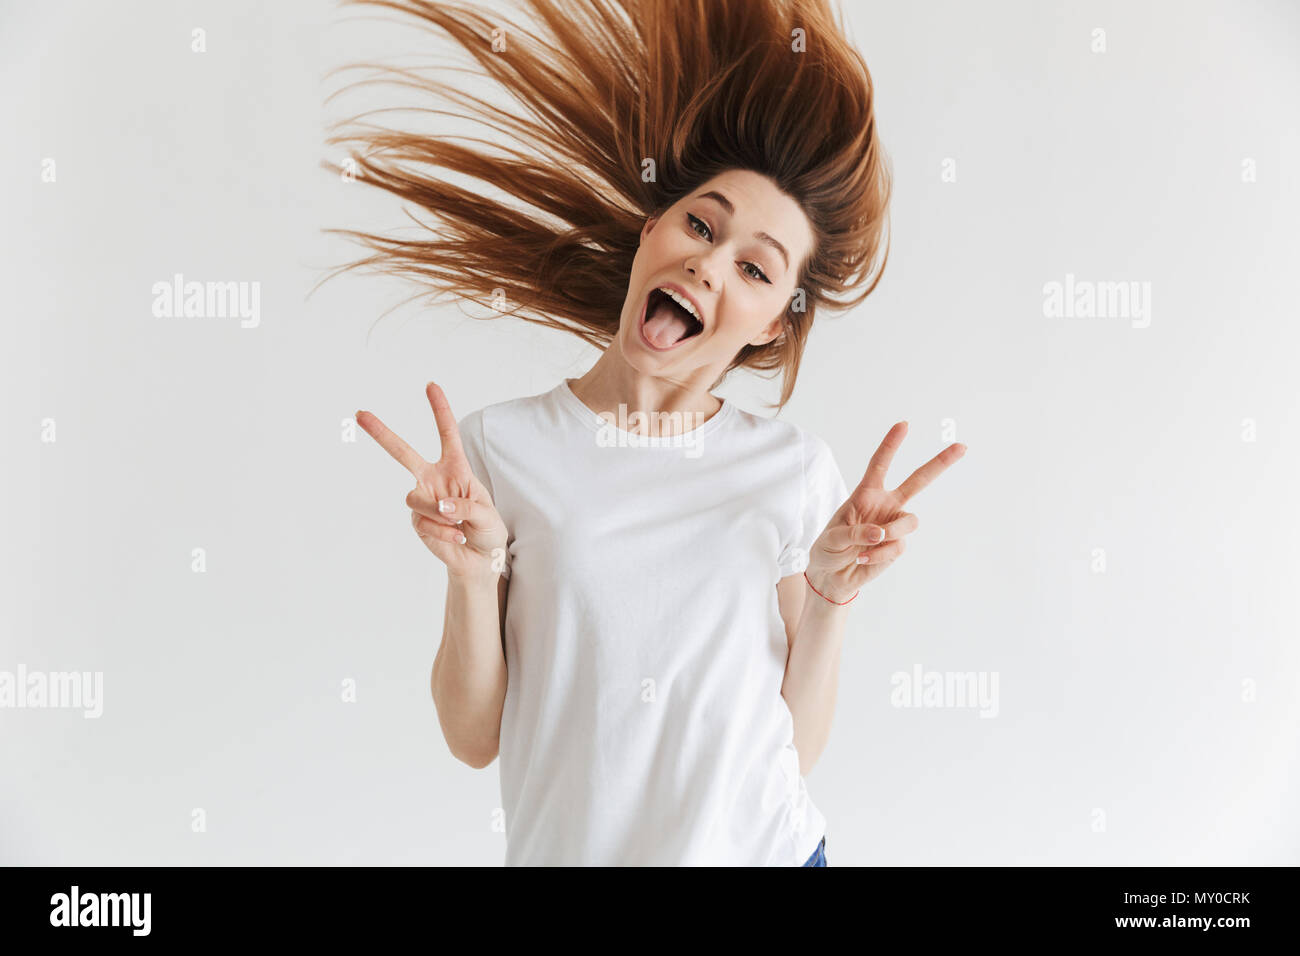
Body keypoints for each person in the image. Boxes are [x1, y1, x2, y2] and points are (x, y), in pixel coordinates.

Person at [337, 0, 966, 865]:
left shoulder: (790, 471)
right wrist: (471, 573)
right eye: (700, 225)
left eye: (753, 267)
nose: (708, 262)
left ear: (772, 324)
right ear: (651, 234)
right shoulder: (500, 450)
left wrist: (828, 595)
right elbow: (472, 736)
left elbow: (796, 752)